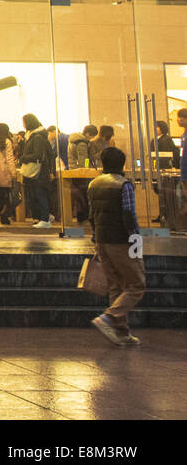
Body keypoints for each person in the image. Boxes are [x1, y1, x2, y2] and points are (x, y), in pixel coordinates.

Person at [87, 146, 145, 346]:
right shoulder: (123, 185)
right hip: (121, 240)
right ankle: (110, 317)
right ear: (122, 163)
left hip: (102, 240)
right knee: (137, 284)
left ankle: (122, 331)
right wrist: (136, 237)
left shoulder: (94, 183)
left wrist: (95, 237)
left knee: (116, 285)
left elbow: (91, 215)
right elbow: (129, 214)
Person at [18, 113, 54, 228]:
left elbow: (38, 155)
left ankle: (45, 219)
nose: (23, 125)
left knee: (39, 193)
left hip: (39, 171)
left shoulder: (37, 137)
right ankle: (44, 216)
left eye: (24, 122)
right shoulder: (34, 136)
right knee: (37, 194)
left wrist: (24, 158)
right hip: (39, 171)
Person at [67, 124, 99, 224]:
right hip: (80, 173)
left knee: (79, 195)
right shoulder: (82, 143)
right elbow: (83, 159)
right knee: (85, 195)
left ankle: (81, 216)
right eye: (92, 136)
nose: (93, 139)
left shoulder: (73, 140)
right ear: (88, 134)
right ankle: (85, 216)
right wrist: (86, 168)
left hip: (73, 170)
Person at [151, 120, 177, 226]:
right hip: (156, 167)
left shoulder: (166, 139)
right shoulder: (154, 140)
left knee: (164, 192)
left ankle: (166, 214)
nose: (155, 129)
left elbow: (170, 153)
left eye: (157, 127)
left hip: (164, 168)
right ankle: (162, 213)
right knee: (159, 191)